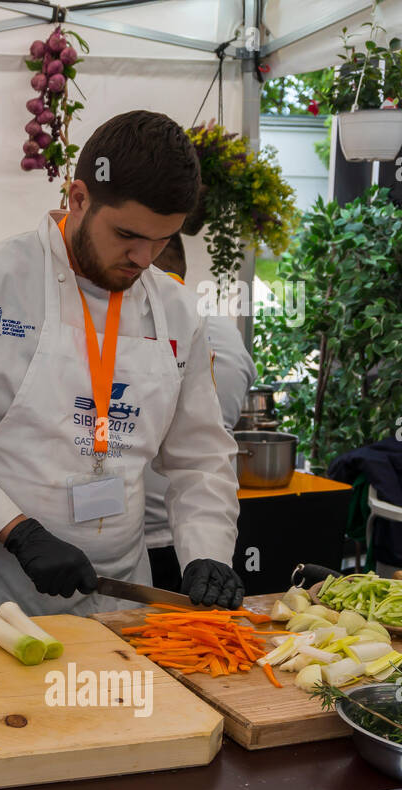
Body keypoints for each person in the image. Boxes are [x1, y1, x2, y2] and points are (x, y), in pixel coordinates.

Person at [0, 110, 244, 622]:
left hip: (123, 592)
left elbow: (200, 457)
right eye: (126, 235)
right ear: (78, 199)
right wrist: (17, 530)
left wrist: (207, 550)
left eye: (161, 240)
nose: (143, 258)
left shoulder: (177, 310)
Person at [144, 234, 256, 591]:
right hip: (194, 532)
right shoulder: (226, 331)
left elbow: (202, 449)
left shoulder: (165, 324)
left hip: (152, 527)